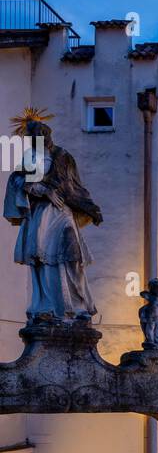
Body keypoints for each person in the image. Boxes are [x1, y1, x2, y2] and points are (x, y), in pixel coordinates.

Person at [3, 112, 103, 323]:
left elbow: (74, 185)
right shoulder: (31, 157)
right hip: (42, 214)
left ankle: (78, 306)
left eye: (42, 133)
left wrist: (88, 206)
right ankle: (48, 306)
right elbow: (20, 181)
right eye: (34, 135)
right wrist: (44, 191)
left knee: (73, 255)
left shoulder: (63, 156)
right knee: (43, 259)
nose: (40, 137)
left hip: (63, 213)